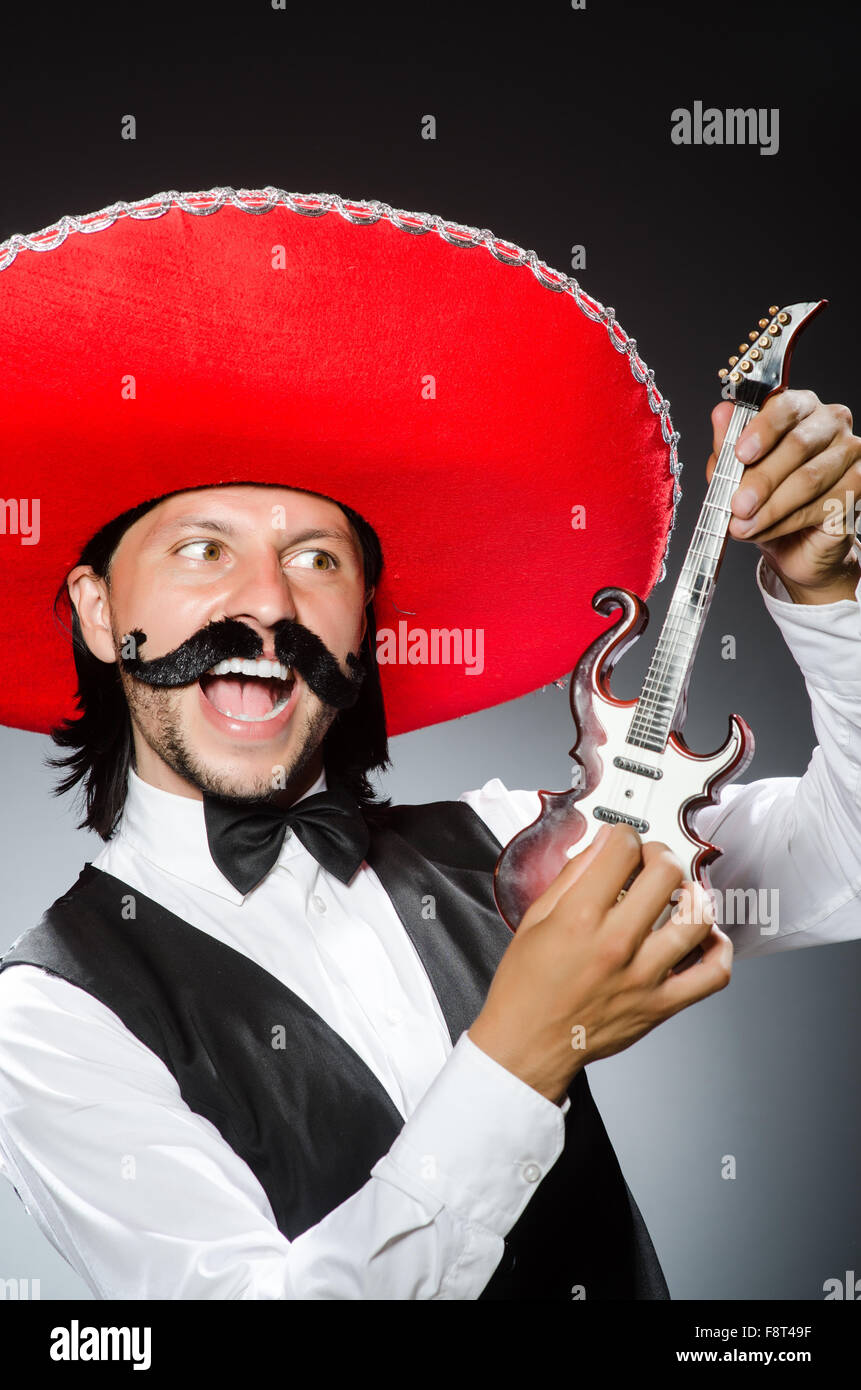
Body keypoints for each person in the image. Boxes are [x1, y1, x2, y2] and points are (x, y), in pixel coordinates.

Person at [1, 189, 860, 1300]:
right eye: (203, 550)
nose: (266, 606)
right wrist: (523, 1048)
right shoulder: (48, 1015)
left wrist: (826, 588)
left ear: (366, 618)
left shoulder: (526, 849)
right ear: (94, 608)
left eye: (316, 559)